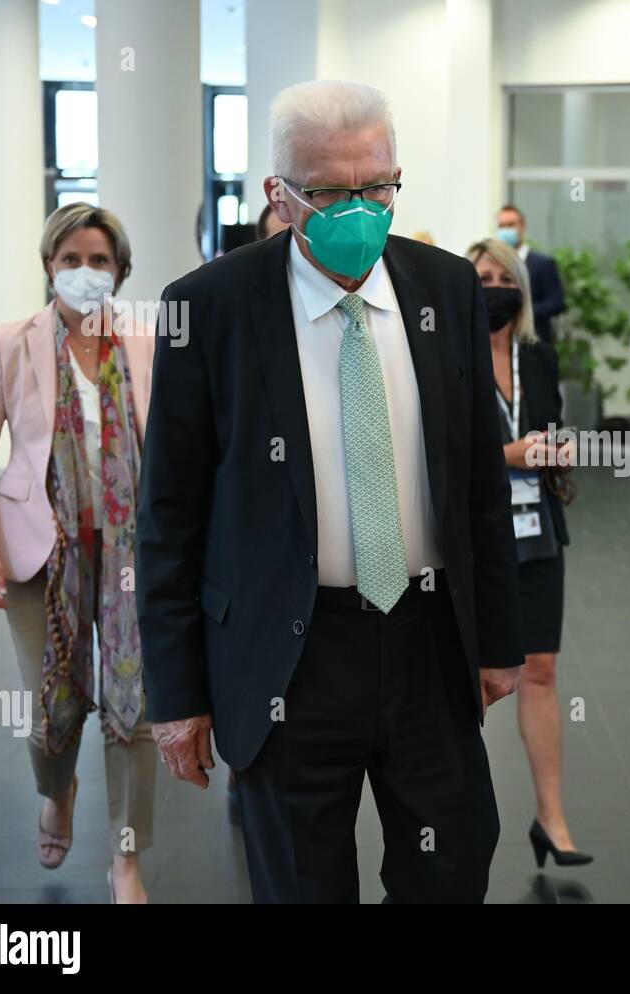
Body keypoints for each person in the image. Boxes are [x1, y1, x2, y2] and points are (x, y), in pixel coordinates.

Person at [137, 79, 523, 904]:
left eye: (378, 185)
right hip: (290, 654)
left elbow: (480, 483)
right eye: (331, 191)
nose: (361, 208)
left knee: (452, 861)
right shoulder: (206, 309)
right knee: (302, 883)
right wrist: (177, 696)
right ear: (280, 195)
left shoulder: (448, 289)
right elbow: (167, 518)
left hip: (427, 639)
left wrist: (497, 638)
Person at [0, 203, 157, 902]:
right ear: (48, 266)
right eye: (70, 260)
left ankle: (126, 859)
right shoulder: (12, 342)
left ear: (120, 271)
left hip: (133, 557)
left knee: (134, 705)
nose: (84, 273)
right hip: (42, 556)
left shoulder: (149, 344)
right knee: (51, 709)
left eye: (99, 261)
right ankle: (57, 787)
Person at [466, 237, 590, 869]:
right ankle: (461, 822)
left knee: (541, 672)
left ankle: (552, 817)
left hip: (538, 532)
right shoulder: (449, 357)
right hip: (471, 542)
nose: (492, 286)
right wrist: (508, 457)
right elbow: (439, 457)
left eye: (501, 276)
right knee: (473, 682)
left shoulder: (538, 357)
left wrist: (558, 450)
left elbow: (553, 423)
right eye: (480, 276)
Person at [495, 205, 565, 345]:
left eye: (510, 225)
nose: (505, 230)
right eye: (501, 226)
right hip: (500, 341)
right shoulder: (494, 264)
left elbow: (557, 302)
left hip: (535, 340)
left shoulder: (543, 263)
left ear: (522, 227)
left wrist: (524, 312)